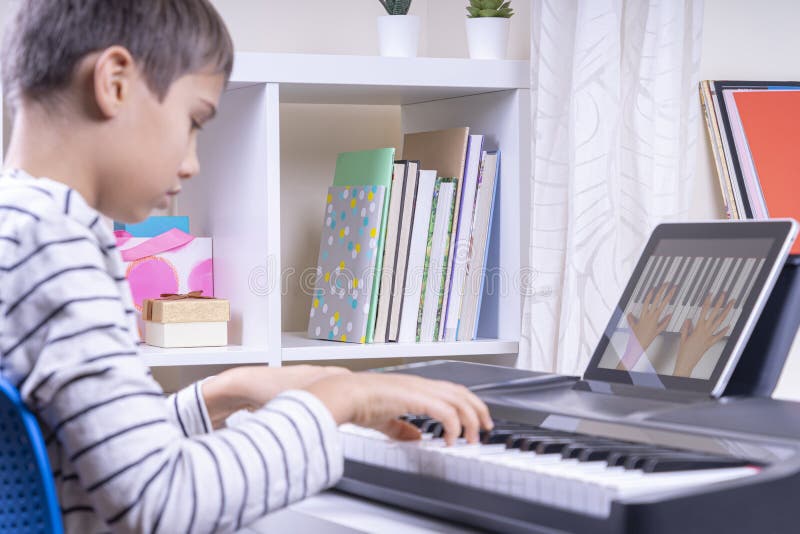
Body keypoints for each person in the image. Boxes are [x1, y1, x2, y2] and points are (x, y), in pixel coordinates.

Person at [0, 1, 493, 532]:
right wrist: (348, 396)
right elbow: (163, 500)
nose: (191, 162)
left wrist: (225, 390)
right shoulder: (56, 244)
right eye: (193, 122)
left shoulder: (21, 226)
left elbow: (90, 453)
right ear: (115, 82)